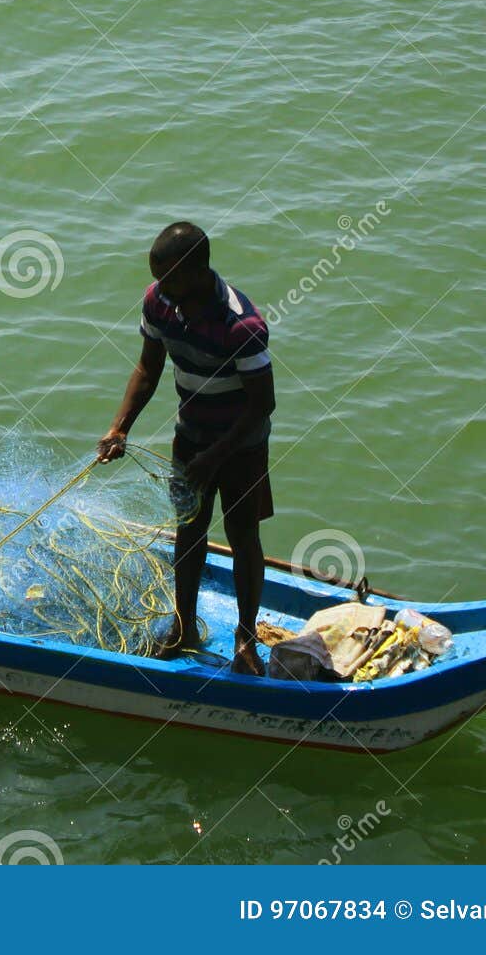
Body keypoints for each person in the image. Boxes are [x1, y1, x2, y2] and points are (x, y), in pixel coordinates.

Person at [96, 221, 275, 674]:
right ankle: (184, 626)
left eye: (169, 277)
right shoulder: (159, 302)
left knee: (242, 535)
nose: (161, 287)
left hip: (240, 448)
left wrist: (213, 458)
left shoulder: (242, 324)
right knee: (189, 530)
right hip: (190, 436)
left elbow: (262, 405)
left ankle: (246, 638)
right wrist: (120, 428)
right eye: (157, 276)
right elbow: (148, 367)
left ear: (197, 271)